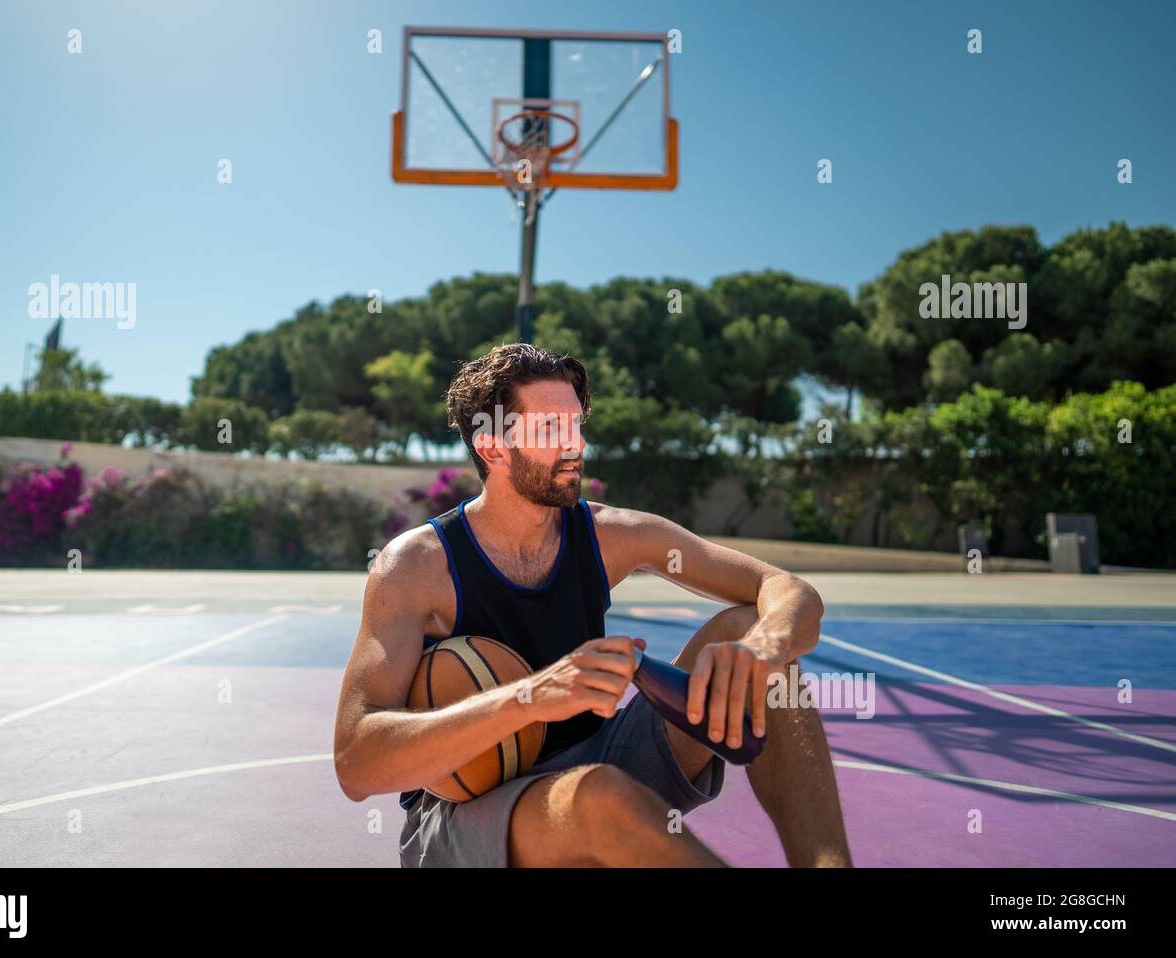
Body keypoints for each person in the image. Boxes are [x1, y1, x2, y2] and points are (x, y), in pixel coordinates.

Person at [333, 343, 852, 867]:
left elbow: (788, 589)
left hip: (597, 766)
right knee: (595, 796)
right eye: (552, 429)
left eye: (577, 425)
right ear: (492, 447)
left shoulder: (607, 535)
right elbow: (355, 762)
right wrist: (530, 697)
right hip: (463, 812)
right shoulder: (417, 566)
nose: (576, 444)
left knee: (747, 627)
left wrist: (764, 647)